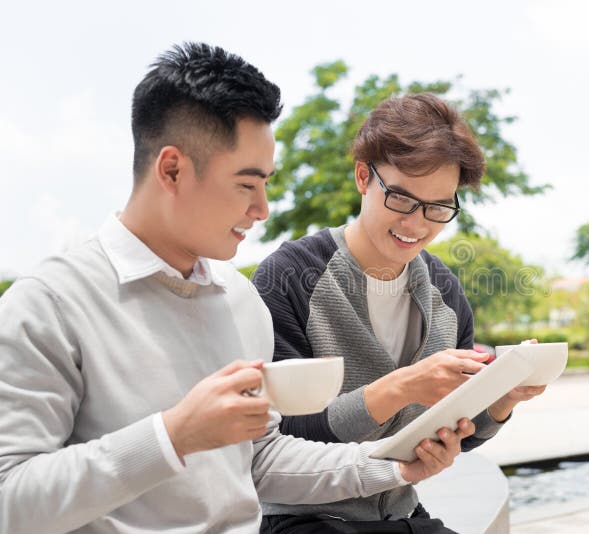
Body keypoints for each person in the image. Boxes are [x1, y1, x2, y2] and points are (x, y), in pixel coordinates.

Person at [0, 43, 475, 534]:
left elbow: (261, 459)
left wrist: (392, 468)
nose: (263, 209)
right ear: (172, 170)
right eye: (247, 184)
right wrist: (173, 436)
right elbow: (8, 499)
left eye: (266, 183)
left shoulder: (239, 300)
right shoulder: (47, 306)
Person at [253, 93, 547, 533]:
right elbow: (283, 436)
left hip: (401, 514)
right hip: (305, 520)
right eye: (401, 198)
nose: (417, 224)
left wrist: (501, 399)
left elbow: (459, 432)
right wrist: (402, 387)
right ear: (362, 178)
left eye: (438, 207)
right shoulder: (289, 277)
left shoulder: (444, 292)